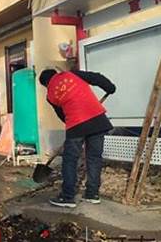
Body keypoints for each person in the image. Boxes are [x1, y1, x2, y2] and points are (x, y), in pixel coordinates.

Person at [39, 68, 116, 208]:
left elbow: (62, 115)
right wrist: (110, 88)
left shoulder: (50, 95)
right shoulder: (71, 74)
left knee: (70, 160)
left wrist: (73, 126)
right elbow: (96, 77)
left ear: (45, 84)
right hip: (98, 119)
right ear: (55, 74)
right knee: (94, 158)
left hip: (75, 123)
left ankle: (68, 197)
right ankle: (92, 194)